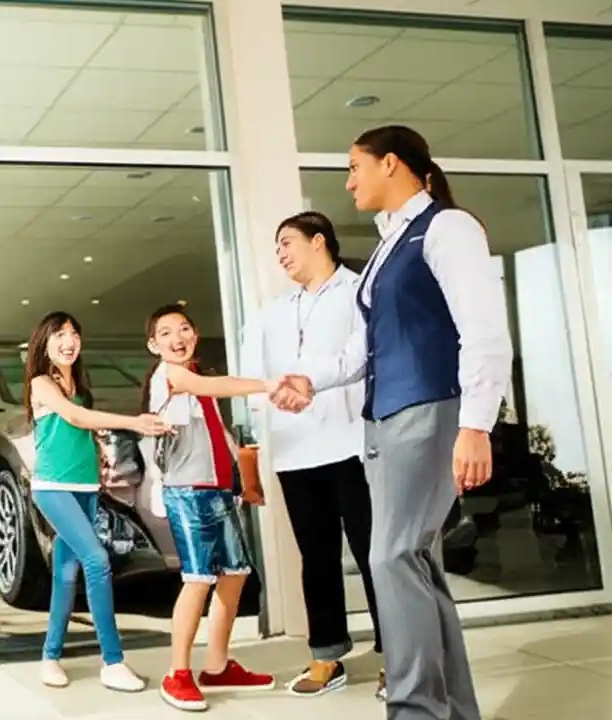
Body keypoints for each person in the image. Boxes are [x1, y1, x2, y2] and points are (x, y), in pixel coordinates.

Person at [280, 125, 511, 720]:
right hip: (383, 420)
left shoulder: (447, 227)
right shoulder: (388, 246)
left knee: (389, 557)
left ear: (391, 164)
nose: (349, 181)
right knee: (415, 562)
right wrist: (313, 378)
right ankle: (454, 711)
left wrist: (476, 423)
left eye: (355, 167)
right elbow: (369, 347)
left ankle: (412, 709)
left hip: (428, 409)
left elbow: (484, 331)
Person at [239, 211, 385, 699]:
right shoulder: (274, 310)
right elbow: (254, 376)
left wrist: (311, 384)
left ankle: (398, 657)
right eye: (276, 246)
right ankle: (326, 658)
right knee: (316, 558)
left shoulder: (359, 290)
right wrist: (276, 401)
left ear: (319, 241)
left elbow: (365, 357)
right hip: (295, 450)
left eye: (287, 242)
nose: (280, 253)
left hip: (352, 442)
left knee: (374, 554)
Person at [140, 304, 288, 712]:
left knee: (236, 574)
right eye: (166, 332)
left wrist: (246, 482)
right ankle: (178, 673)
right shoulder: (170, 376)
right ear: (154, 345)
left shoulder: (194, 381)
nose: (178, 338)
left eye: (184, 328)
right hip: (187, 493)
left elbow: (219, 433)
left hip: (218, 492)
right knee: (198, 578)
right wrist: (267, 384)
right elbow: (213, 389)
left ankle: (218, 665)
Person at [23, 311, 173, 693]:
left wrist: (100, 459)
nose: (69, 340)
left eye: (74, 333)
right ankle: (113, 660)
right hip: (53, 488)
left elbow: (80, 429)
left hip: (86, 488)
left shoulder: (79, 383)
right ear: (44, 341)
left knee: (65, 573)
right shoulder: (42, 382)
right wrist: (134, 422)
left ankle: (50, 656)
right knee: (97, 560)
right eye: (60, 334)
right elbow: (74, 416)